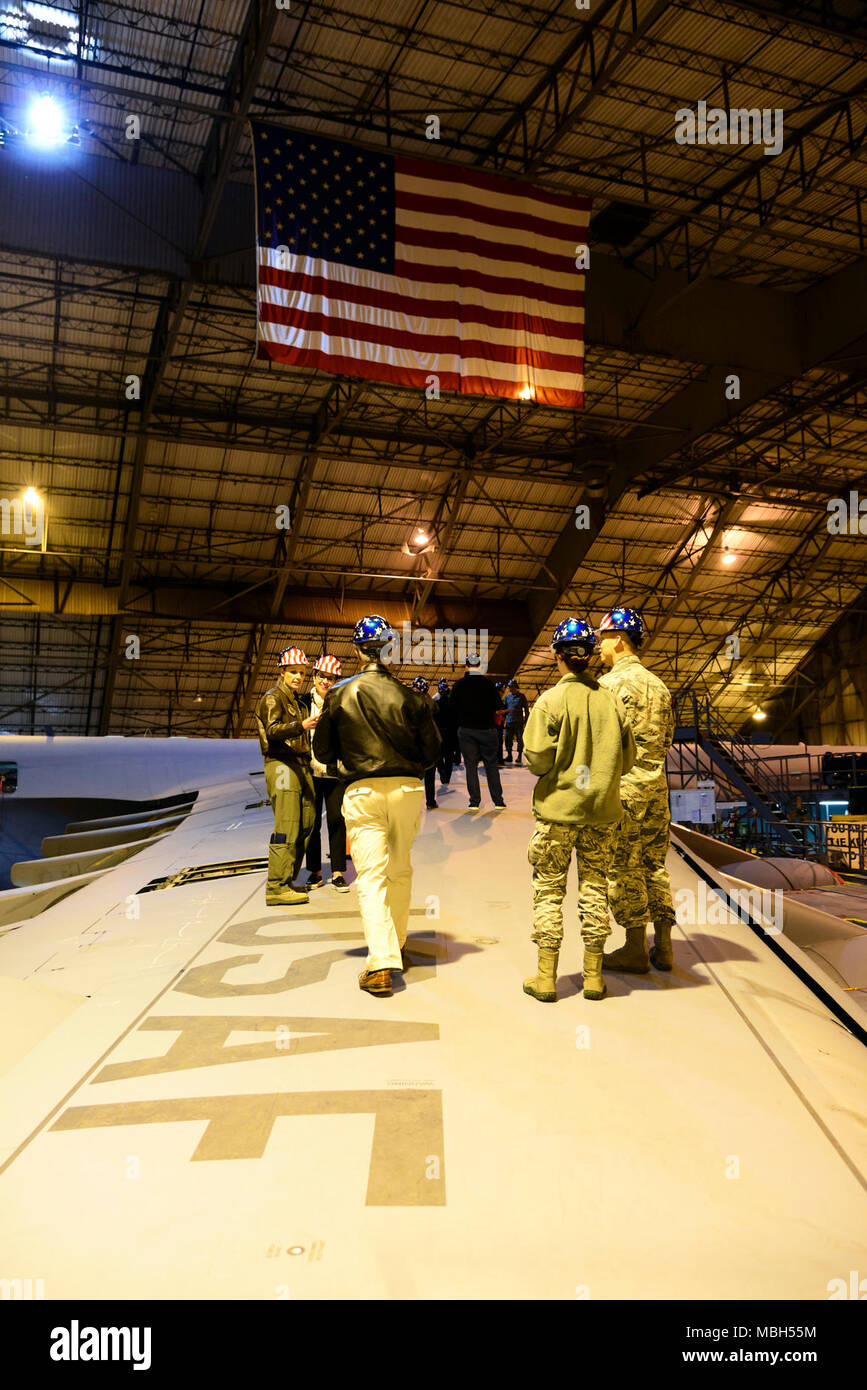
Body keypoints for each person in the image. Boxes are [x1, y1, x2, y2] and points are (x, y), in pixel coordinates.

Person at [312, 614, 441, 997]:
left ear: (356, 651)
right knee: (401, 869)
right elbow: (433, 752)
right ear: (389, 651)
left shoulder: (339, 694)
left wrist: (349, 767)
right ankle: (396, 943)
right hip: (407, 790)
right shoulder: (412, 697)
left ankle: (381, 962)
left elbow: (321, 750)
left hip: (362, 791)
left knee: (370, 877)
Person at [523, 618, 636, 1002]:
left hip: (557, 812)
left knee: (550, 891)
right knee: (595, 889)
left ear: (558, 656)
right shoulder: (611, 699)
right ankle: (593, 977)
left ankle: (545, 978)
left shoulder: (550, 701)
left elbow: (537, 758)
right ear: (590, 658)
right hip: (602, 813)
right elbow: (629, 756)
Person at [596, 606, 678, 973]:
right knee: (655, 866)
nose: (599, 648)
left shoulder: (609, 685)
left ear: (618, 638)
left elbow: (602, 743)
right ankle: (664, 947)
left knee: (623, 867)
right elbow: (668, 738)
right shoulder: (660, 686)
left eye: (602, 640)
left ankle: (633, 949)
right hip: (657, 789)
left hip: (625, 790)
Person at [255, 646, 318, 906]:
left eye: (301, 673)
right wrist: (300, 725)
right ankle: (276, 886)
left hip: (300, 765)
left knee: (306, 822)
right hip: (281, 764)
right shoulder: (273, 698)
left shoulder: (294, 700)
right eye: (293, 672)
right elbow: (272, 731)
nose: (298, 677)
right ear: (281, 671)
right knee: (288, 824)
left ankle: (288, 877)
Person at [300, 654, 349, 892]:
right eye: (322, 676)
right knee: (311, 824)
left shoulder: (341, 702)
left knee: (337, 820)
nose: (325, 681)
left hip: (334, 772)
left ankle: (338, 871)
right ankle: (315, 871)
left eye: (331, 678)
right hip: (310, 772)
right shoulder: (302, 703)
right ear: (315, 676)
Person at [449, 654, 506, 809]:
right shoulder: (489, 684)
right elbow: (498, 706)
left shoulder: (459, 685)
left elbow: (452, 707)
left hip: (467, 731)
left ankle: (474, 802)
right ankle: (498, 801)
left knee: (471, 766)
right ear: (480, 666)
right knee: (491, 765)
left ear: (466, 666)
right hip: (487, 730)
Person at [411, 676, 439, 808]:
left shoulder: (409, 701)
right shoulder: (432, 703)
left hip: (414, 743)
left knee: (412, 776)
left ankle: (412, 803)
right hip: (429, 742)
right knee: (430, 775)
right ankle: (430, 801)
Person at [432, 678, 457, 791]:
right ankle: (447, 777)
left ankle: (441, 771)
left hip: (439, 734)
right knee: (449, 757)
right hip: (450, 735)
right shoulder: (453, 705)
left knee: (439, 756)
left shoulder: (436, 704)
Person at [503, 678, 530, 764]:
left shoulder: (522, 697)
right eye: (510, 687)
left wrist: (526, 721)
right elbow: (504, 709)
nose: (510, 688)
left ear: (516, 687)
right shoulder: (507, 697)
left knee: (519, 739)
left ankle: (519, 756)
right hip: (509, 721)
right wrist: (503, 720)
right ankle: (509, 755)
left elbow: (526, 709)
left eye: (512, 687)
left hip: (518, 722)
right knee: (508, 738)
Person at [494, 681, 507, 764]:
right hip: (495, 725)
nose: (503, 693)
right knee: (496, 742)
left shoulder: (499, 700)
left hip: (499, 724)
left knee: (499, 742)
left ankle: (499, 758)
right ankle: (497, 759)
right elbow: (498, 712)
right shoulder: (495, 700)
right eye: (502, 691)